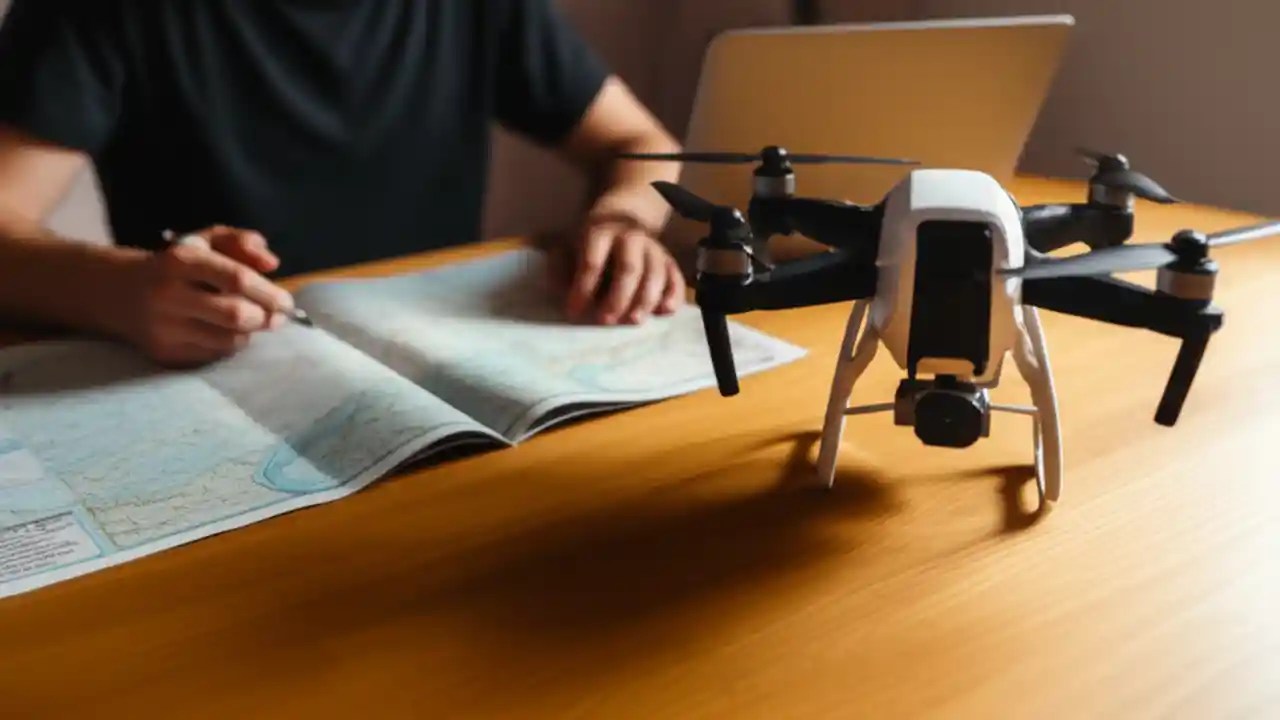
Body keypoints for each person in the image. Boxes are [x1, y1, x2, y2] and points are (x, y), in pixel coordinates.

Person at [0, 0, 686, 368]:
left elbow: (639, 143)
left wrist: (623, 218)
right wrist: (117, 292)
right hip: (211, 379)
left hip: (442, 366)